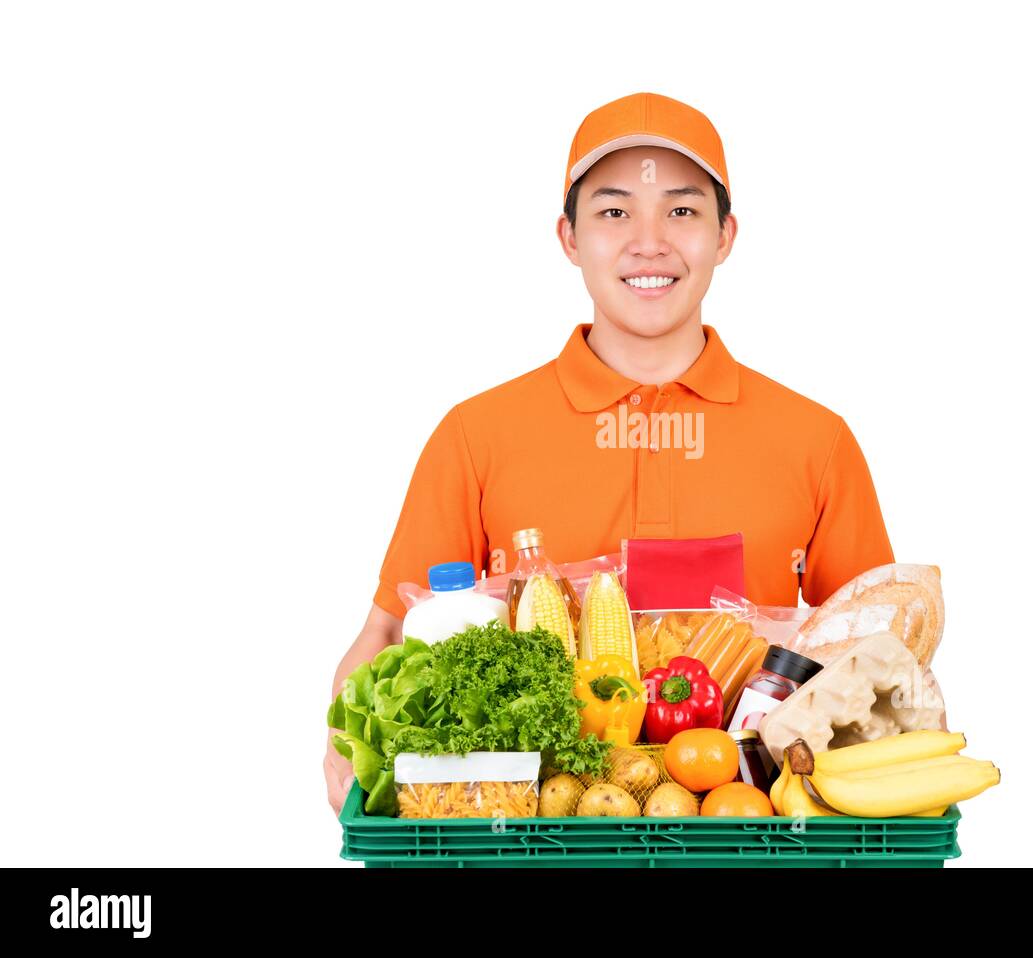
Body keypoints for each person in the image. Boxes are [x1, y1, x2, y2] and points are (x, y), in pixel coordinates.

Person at [325, 92, 893, 813]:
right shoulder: (477, 434)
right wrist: (345, 739)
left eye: (682, 211)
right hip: (532, 832)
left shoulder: (816, 440)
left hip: (751, 827)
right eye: (614, 211)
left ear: (726, 236)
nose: (648, 241)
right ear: (568, 236)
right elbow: (387, 631)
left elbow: (876, 644)